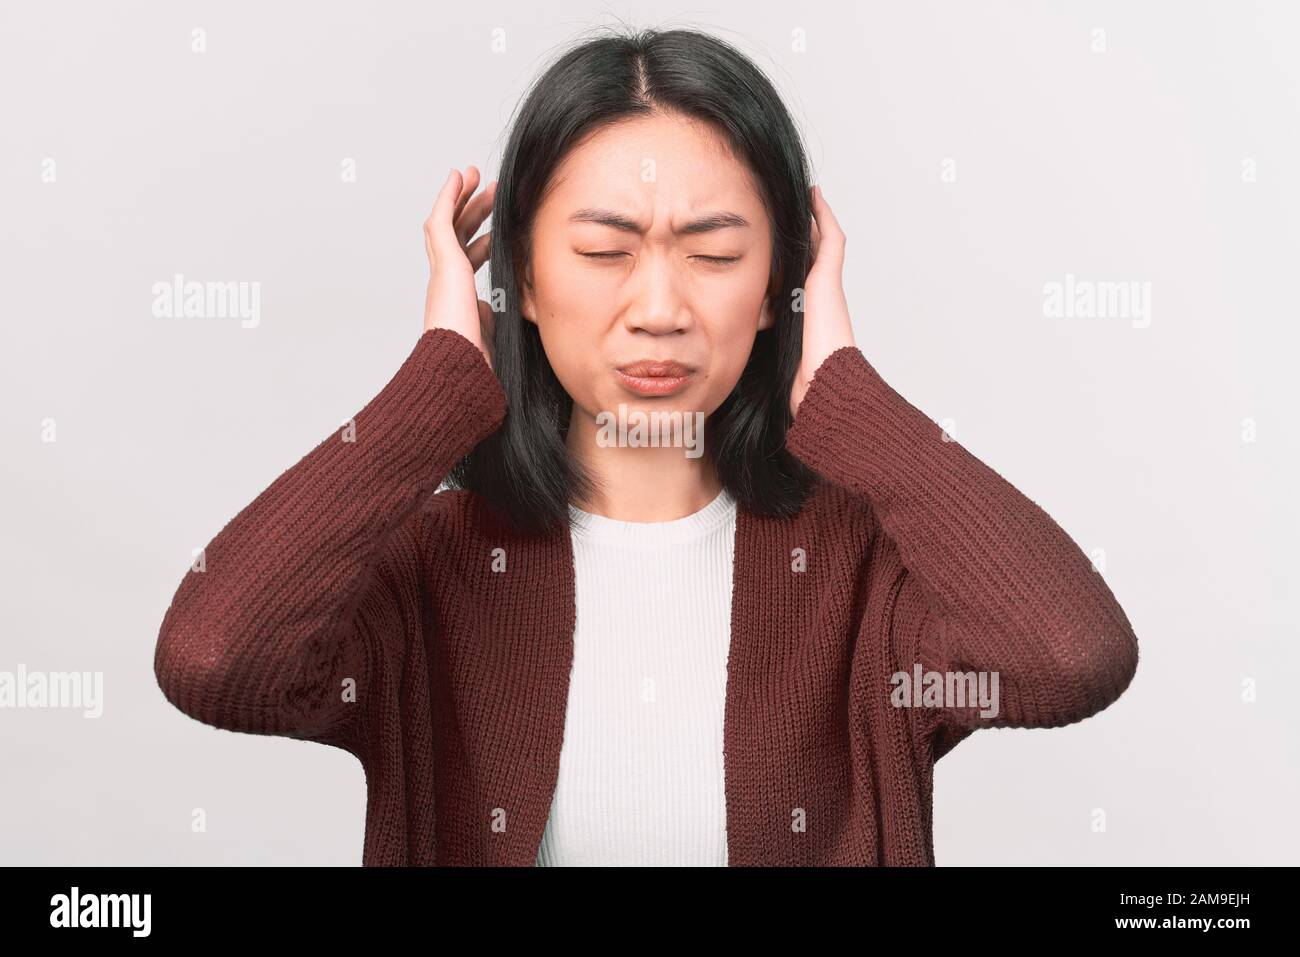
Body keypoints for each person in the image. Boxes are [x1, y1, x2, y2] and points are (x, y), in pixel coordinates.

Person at [154, 27, 1139, 866]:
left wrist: (851, 397)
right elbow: (214, 660)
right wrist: (439, 377)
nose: (660, 309)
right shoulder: (437, 566)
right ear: (525, 281)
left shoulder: (859, 567)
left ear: (776, 286)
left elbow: (1068, 659)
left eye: (714, 256)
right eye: (601, 252)